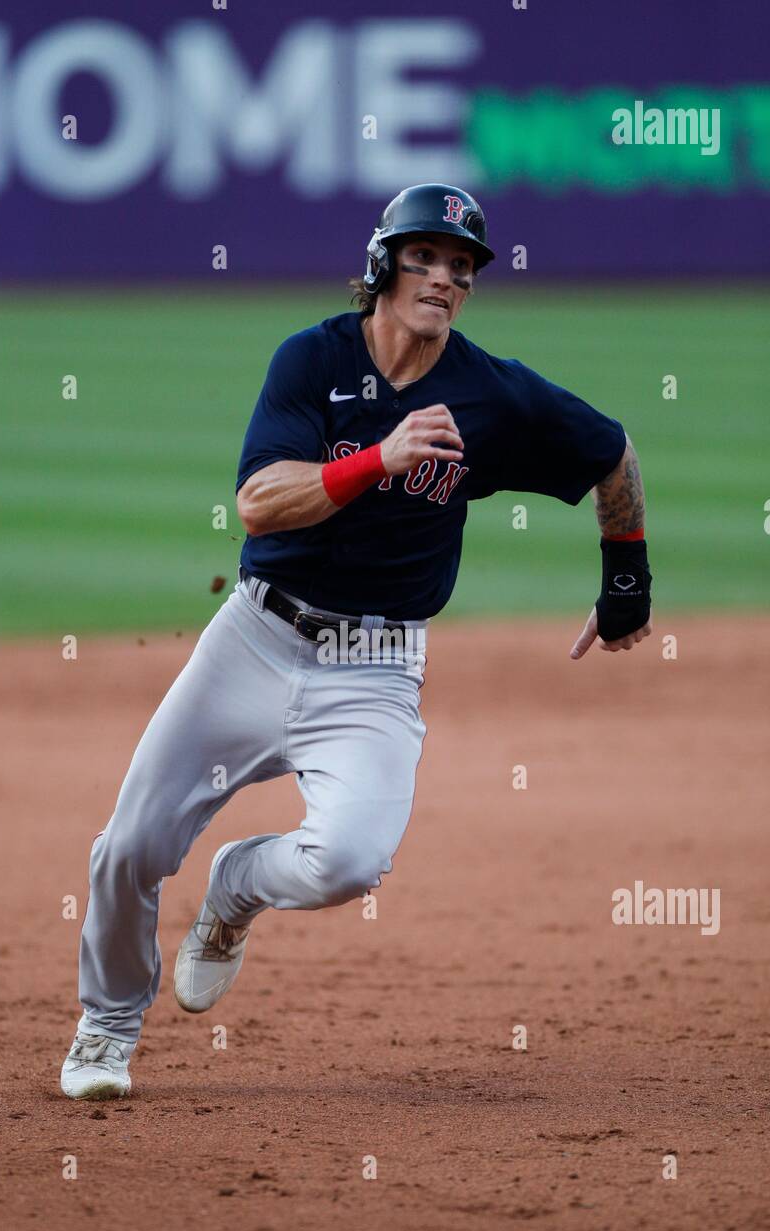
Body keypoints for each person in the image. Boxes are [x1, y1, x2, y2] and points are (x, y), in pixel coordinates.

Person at [61, 183, 651, 1100]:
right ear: (382, 266)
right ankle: (106, 1028)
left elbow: (612, 451)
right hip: (255, 639)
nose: (446, 279)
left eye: (462, 268)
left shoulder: (488, 394)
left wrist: (626, 580)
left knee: (348, 862)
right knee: (129, 845)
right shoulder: (310, 360)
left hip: (376, 669)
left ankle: (236, 888)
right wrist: (379, 459)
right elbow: (258, 501)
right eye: (426, 257)